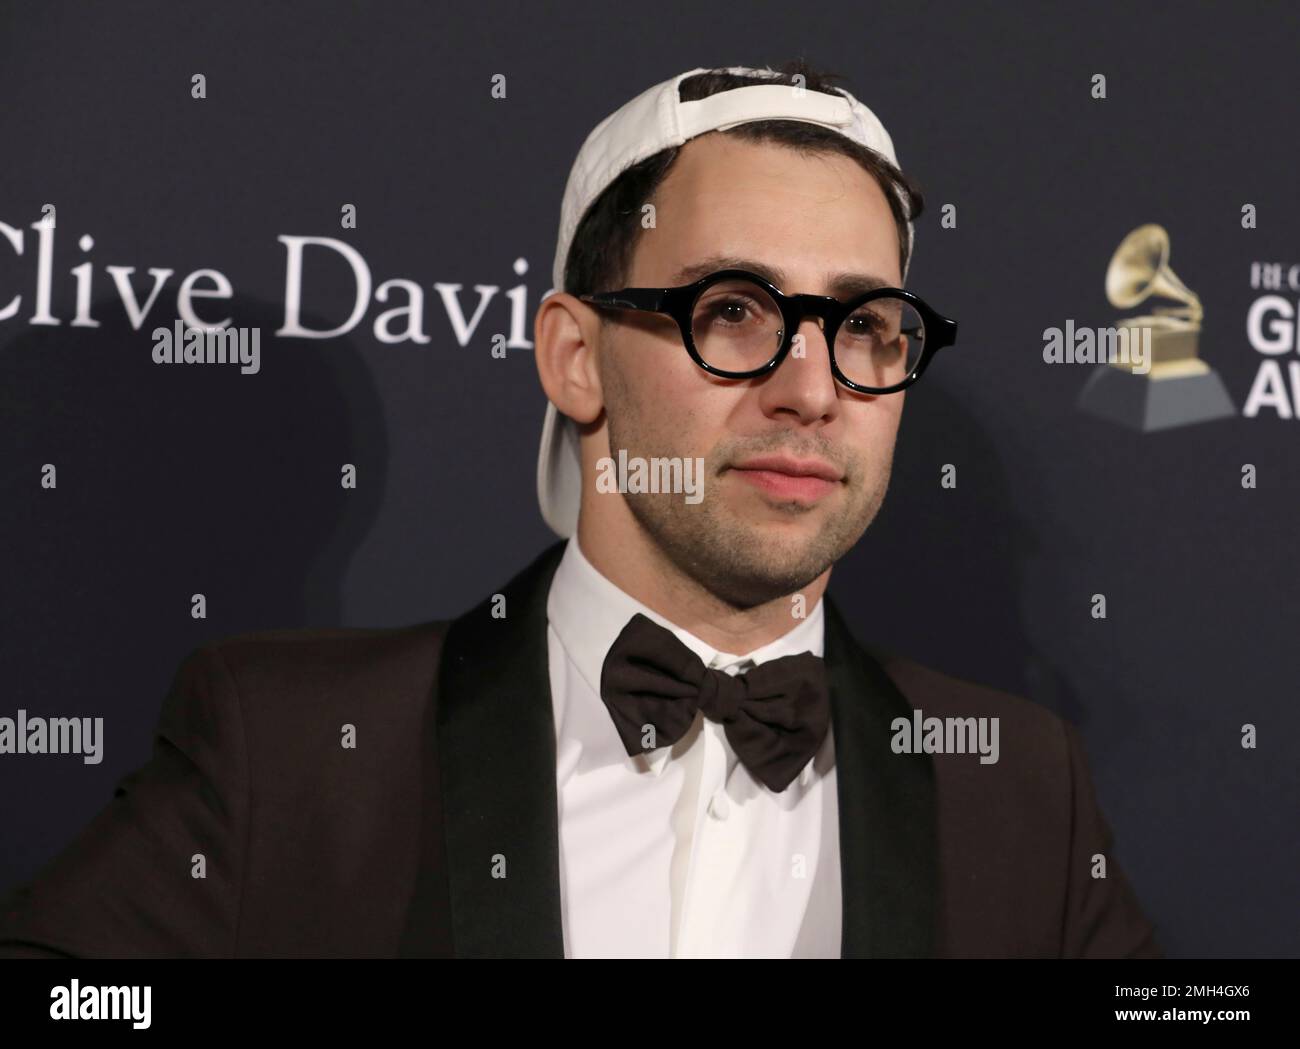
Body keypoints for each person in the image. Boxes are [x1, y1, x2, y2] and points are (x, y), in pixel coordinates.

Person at [0, 60, 1160, 958]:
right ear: (574, 356)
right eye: (734, 309)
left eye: (863, 328)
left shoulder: (1015, 781)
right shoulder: (290, 748)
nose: (811, 392)